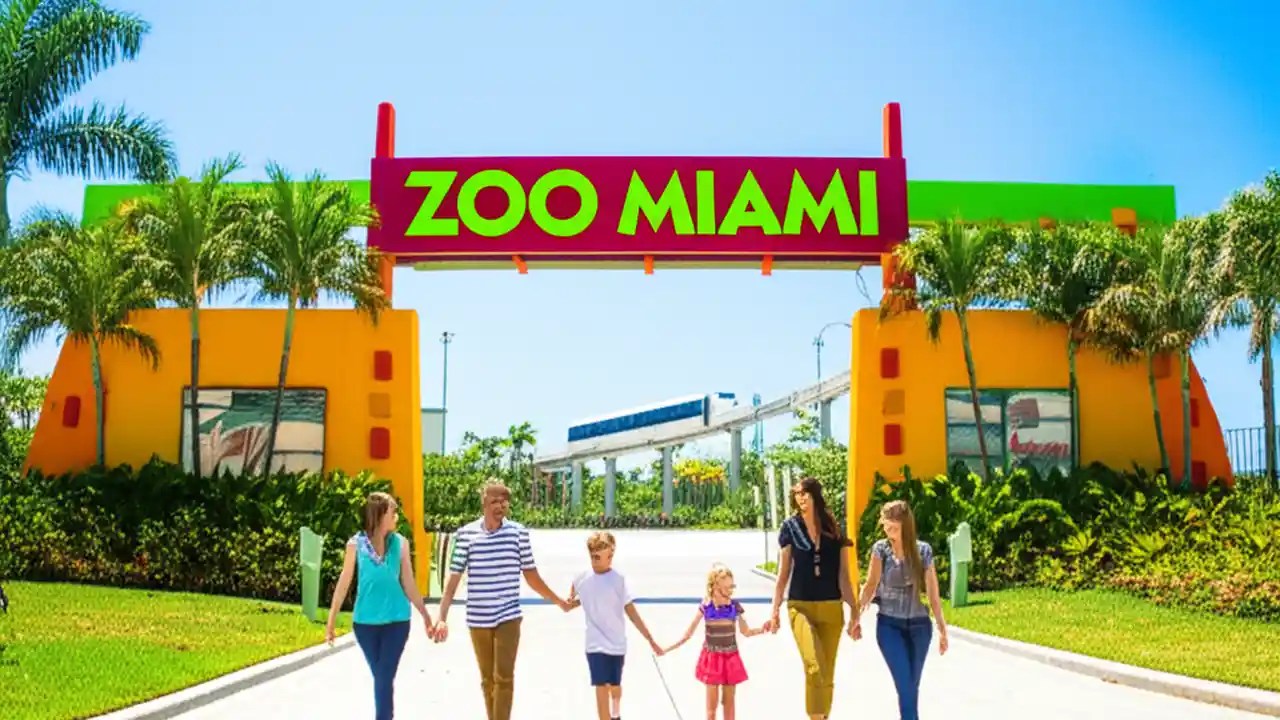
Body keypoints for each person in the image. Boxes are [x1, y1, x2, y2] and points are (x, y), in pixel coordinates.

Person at [431, 479, 573, 720]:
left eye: (504, 501)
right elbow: (453, 579)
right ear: (484, 503)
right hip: (478, 619)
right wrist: (442, 617)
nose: (500, 505)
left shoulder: (518, 533)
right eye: (495, 501)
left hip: (508, 616)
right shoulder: (466, 535)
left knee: (504, 677)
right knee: (488, 681)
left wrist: (558, 601)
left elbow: (531, 575)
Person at [325, 491, 432, 720]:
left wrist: (425, 614)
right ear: (381, 514)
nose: (396, 517)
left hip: (397, 622)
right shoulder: (356, 545)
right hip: (365, 625)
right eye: (393, 512)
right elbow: (344, 582)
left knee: (383, 677)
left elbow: (409, 583)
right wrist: (331, 619)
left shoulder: (400, 544)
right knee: (382, 679)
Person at [764, 476, 860, 720]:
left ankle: (822, 716)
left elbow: (844, 577)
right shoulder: (790, 527)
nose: (801, 498)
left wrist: (855, 612)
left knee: (827, 673)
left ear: (815, 495)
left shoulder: (834, 529)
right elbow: (783, 573)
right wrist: (774, 610)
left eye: (804, 493)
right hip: (800, 607)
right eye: (797, 494)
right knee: (814, 666)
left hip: (831, 608)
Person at [857, 499, 949, 720]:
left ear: (905, 525)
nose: (889, 531)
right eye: (886, 525)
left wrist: (942, 629)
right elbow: (870, 585)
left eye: (894, 527)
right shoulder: (881, 550)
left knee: (910, 688)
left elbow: (933, 594)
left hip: (919, 627)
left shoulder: (923, 551)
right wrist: (855, 618)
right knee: (906, 686)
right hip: (889, 626)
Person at [566, 531, 663, 720]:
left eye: (600, 556)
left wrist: (650, 639)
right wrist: (572, 600)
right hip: (594, 644)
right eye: (592, 555)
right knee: (601, 686)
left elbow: (631, 611)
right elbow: (576, 592)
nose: (595, 559)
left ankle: (616, 712)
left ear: (611, 556)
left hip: (617, 643)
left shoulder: (618, 580)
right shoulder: (582, 578)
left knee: (615, 686)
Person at [662, 564, 765, 720]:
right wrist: (666, 648)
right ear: (715, 586)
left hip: (731, 658)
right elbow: (687, 634)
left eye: (732, 587)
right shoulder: (706, 606)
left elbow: (746, 632)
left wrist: (764, 628)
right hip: (712, 659)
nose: (731, 591)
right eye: (727, 587)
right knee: (711, 709)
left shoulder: (735, 606)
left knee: (729, 705)